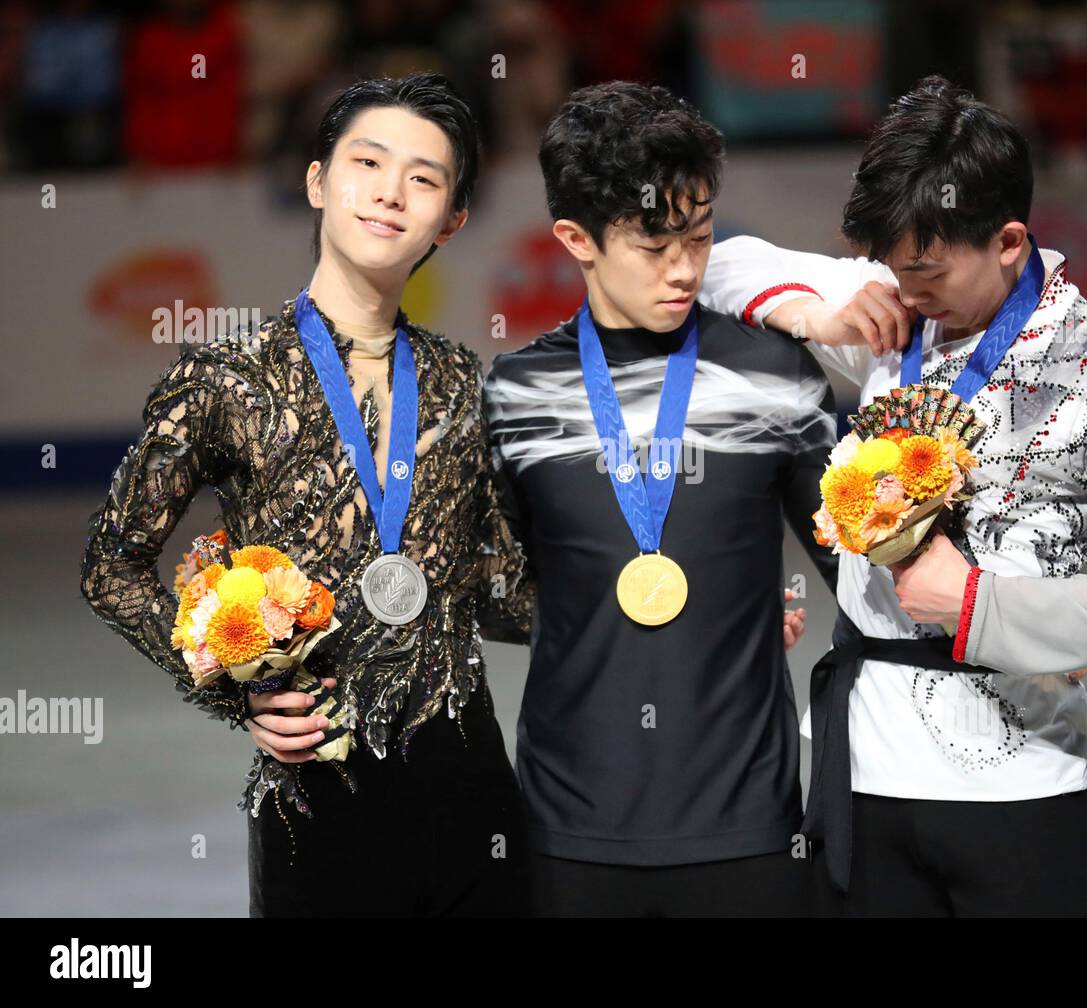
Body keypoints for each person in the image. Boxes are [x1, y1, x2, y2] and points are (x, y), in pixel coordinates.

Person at [700, 75, 1087, 916]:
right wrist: (816, 312)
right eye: (890, 267)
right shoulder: (890, 313)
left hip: (1017, 786)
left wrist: (986, 606)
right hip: (860, 776)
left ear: (1010, 241)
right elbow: (715, 264)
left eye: (927, 271)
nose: (906, 289)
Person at [79, 72, 535, 917]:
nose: (392, 192)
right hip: (313, 797)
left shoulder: (461, 383)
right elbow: (112, 564)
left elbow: (501, 597)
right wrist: (230, 681)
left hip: (471, 792)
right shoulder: (224, 378)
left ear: (454, 219)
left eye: (425, 178)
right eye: (368, 162)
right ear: (318, 181)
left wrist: (679, 598)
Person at [482, 81, 832, 917]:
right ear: (577, 239)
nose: (684, 269)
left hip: (749, 825)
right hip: (569, 828)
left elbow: (862, 561)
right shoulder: (516, 393)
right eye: (654, 243)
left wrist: (1002, 620)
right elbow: (496, 592)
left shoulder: (776, 375)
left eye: (700, 237)